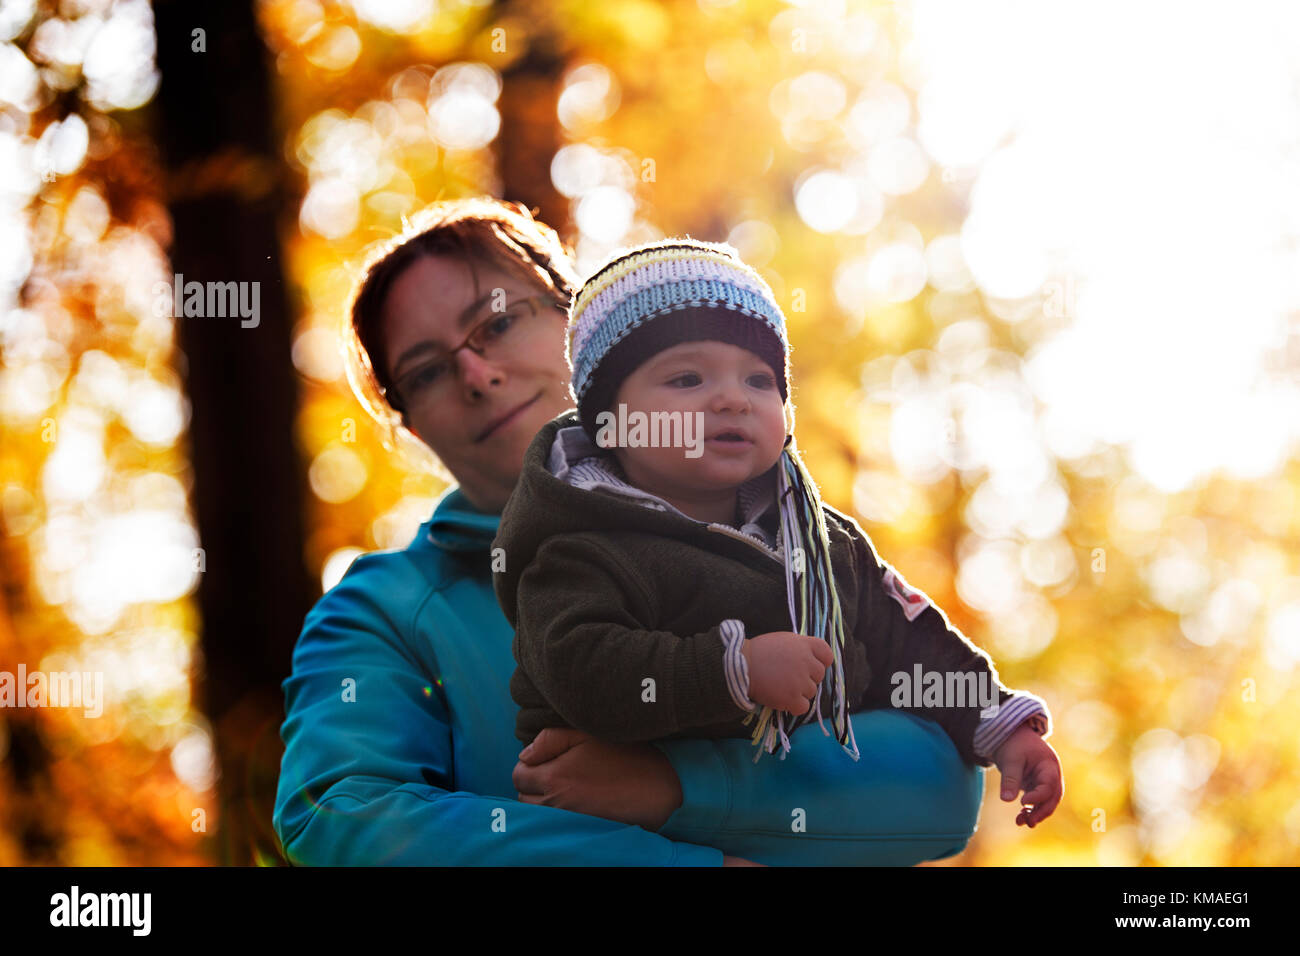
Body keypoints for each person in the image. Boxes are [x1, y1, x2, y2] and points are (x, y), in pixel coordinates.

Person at [272, 198, 1013, 867]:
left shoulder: (787, 541)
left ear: (573, 320)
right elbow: (340, 818)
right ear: (409, 423)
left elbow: (940, 788)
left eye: (496, 323)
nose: (475, 374)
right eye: (427, 372)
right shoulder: (383, 609)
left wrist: (674, 787)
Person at [494, 239, 1062, 828]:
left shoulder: (823, 544)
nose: (733, 399)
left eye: (760, 381)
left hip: (793, 822)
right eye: (687, 378)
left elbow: (908, 639)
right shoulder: (581, 542)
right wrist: (731, 669)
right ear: (611, 422)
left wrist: (998, 724)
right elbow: (580, 668)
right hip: (612, 830)